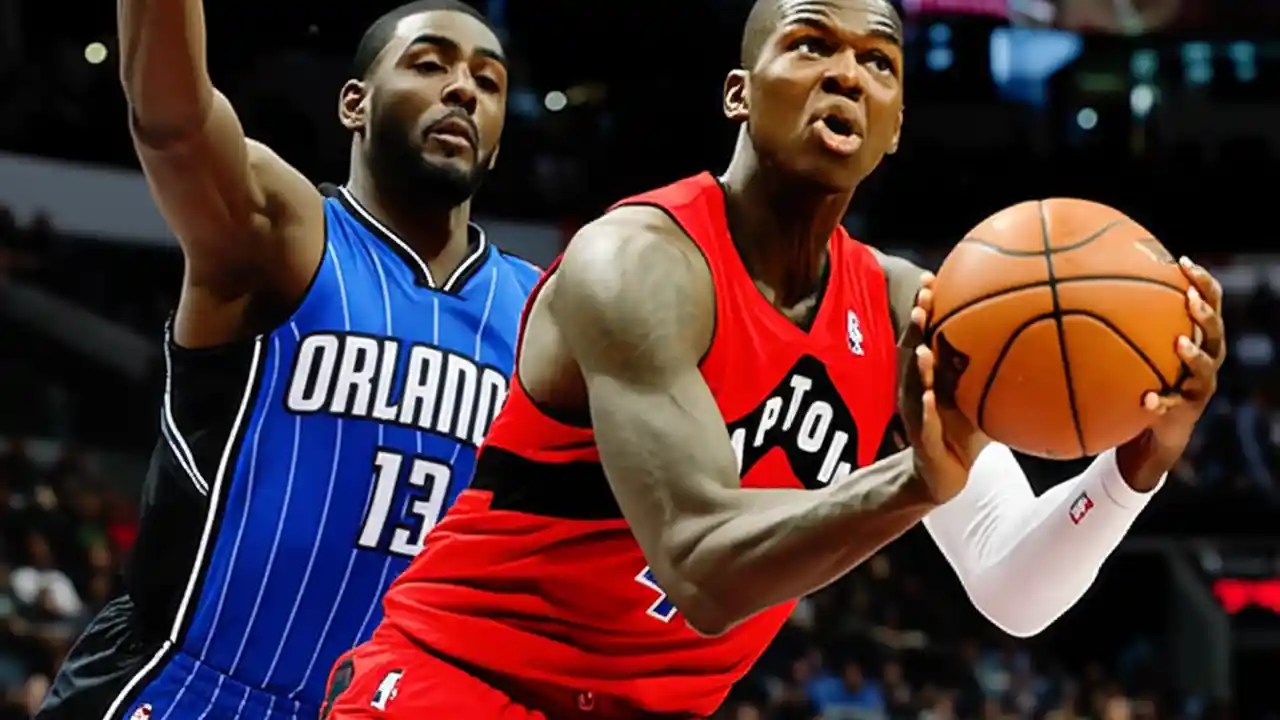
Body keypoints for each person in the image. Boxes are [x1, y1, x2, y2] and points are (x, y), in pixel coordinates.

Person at [324, 0, 1227, 717]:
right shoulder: (640, 262)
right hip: (461, 683)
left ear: (896, 125)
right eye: (810, 45)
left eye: (878, 62)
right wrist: (914, 480)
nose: (847, 73)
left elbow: (1011, 584)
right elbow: (703, 566)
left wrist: (1133, 464)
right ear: (739, 92)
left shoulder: (905, 307)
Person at [38, 2, 538, 719]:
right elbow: (173, 121)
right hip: (189, 687)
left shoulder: (541, 315)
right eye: (429, 64)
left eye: (488, 82)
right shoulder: (284, 233)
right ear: (355, 104)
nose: (462, 88)